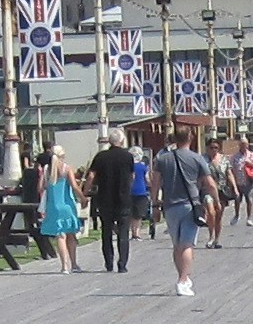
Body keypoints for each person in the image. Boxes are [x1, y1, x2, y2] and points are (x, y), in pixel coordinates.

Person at [152, 125, 215, 296]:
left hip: (170, 207)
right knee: (187, 244)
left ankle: (183, 277)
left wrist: (154, 205)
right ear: (190, 138)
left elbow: (155, 183)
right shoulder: (197, 158)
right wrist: (214, 201)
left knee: (177, 245)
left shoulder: (162, 159)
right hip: (190, 205)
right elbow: (209, 183)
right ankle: (182, 280)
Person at [87, 128, 138, 273]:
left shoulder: (101, 156)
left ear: (109, 141)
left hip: (105, 199)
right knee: (123, 232)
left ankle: (108, 262)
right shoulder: (128, 157)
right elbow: (132, 176)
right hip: (123, 198)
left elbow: (91, 176)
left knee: (106, 231)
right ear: (122, 141)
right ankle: (122, 264)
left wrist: (85, 192)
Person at [38, 141, 86, 271]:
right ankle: (74, 264)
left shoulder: (47, 169)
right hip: (67, 205)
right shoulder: (66, 168)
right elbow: (74, 187)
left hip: (53, 205)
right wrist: (83, 198)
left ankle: (64, 266)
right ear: (62, 155)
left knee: (60, 235)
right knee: (70, 234)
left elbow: (40, 187)